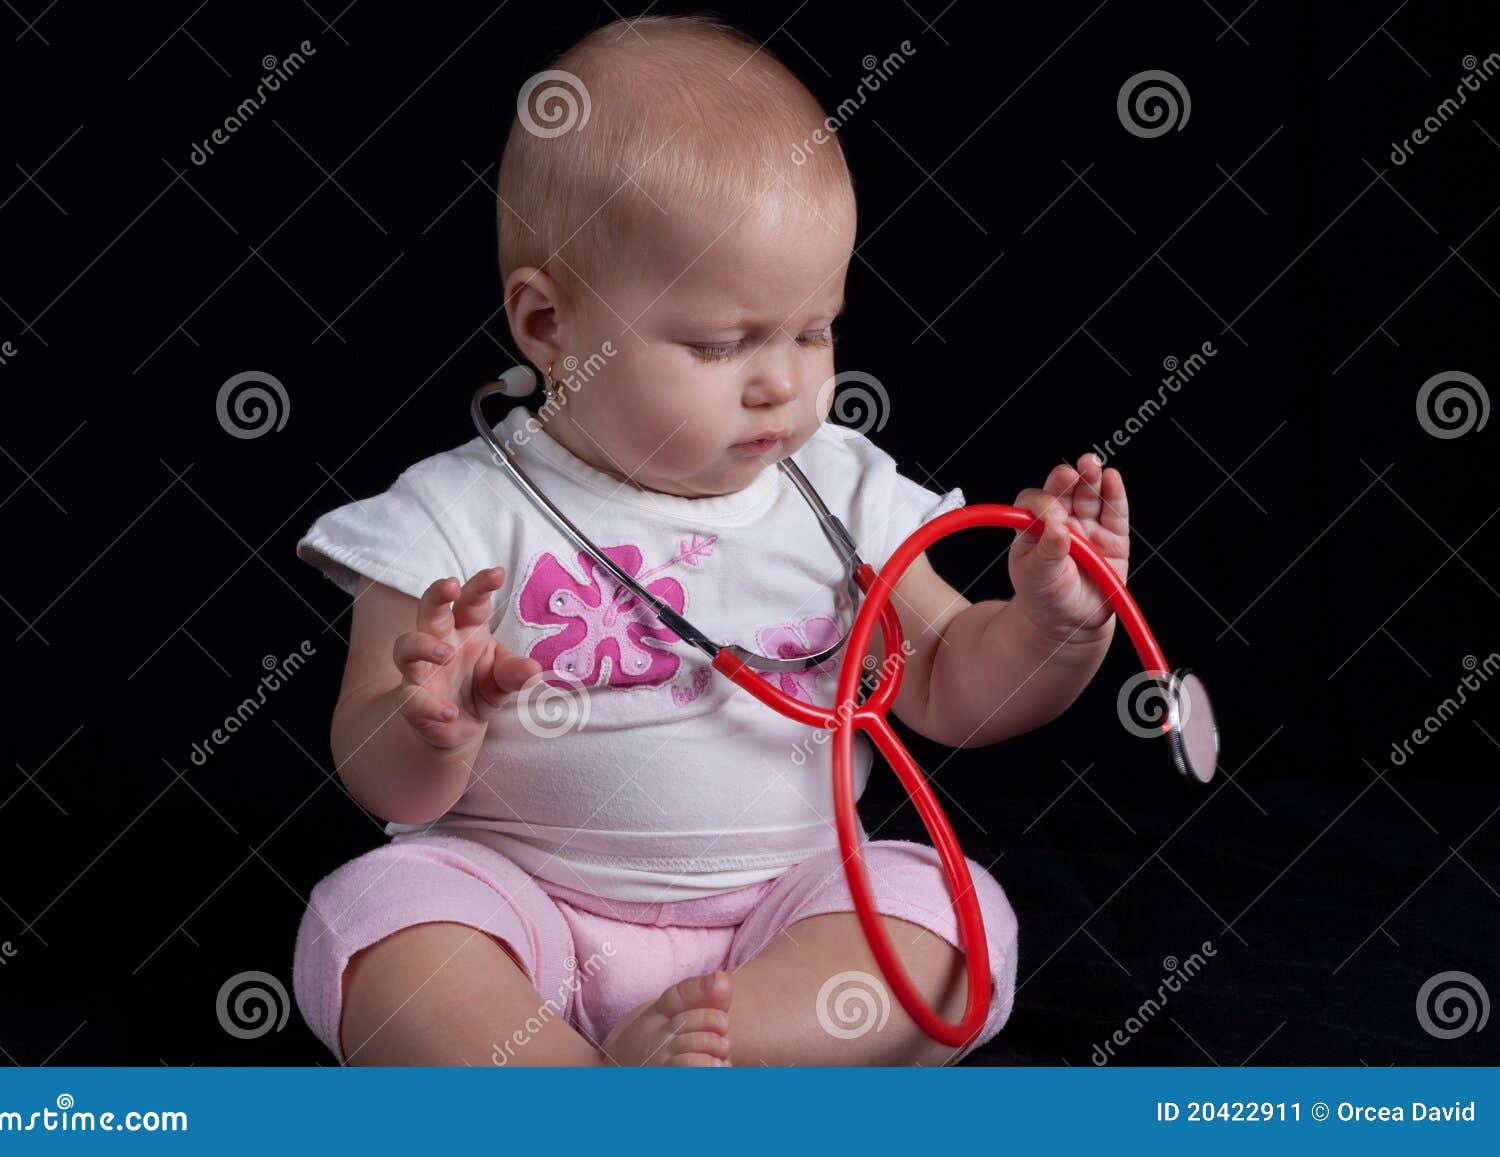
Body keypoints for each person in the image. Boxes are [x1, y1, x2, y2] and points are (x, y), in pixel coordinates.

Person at [291, 13, 1131, 1067]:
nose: (781, 380)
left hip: (787, 922)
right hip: (527, 924)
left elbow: (957, 692)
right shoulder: (450, 519)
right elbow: (379, 779)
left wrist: (1056, 626)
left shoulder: (842, 492)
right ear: (548, 326)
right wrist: (426, 728)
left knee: (953, 926)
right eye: (719, 343)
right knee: (381, 922)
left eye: (812, 329)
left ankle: (722, 1057)